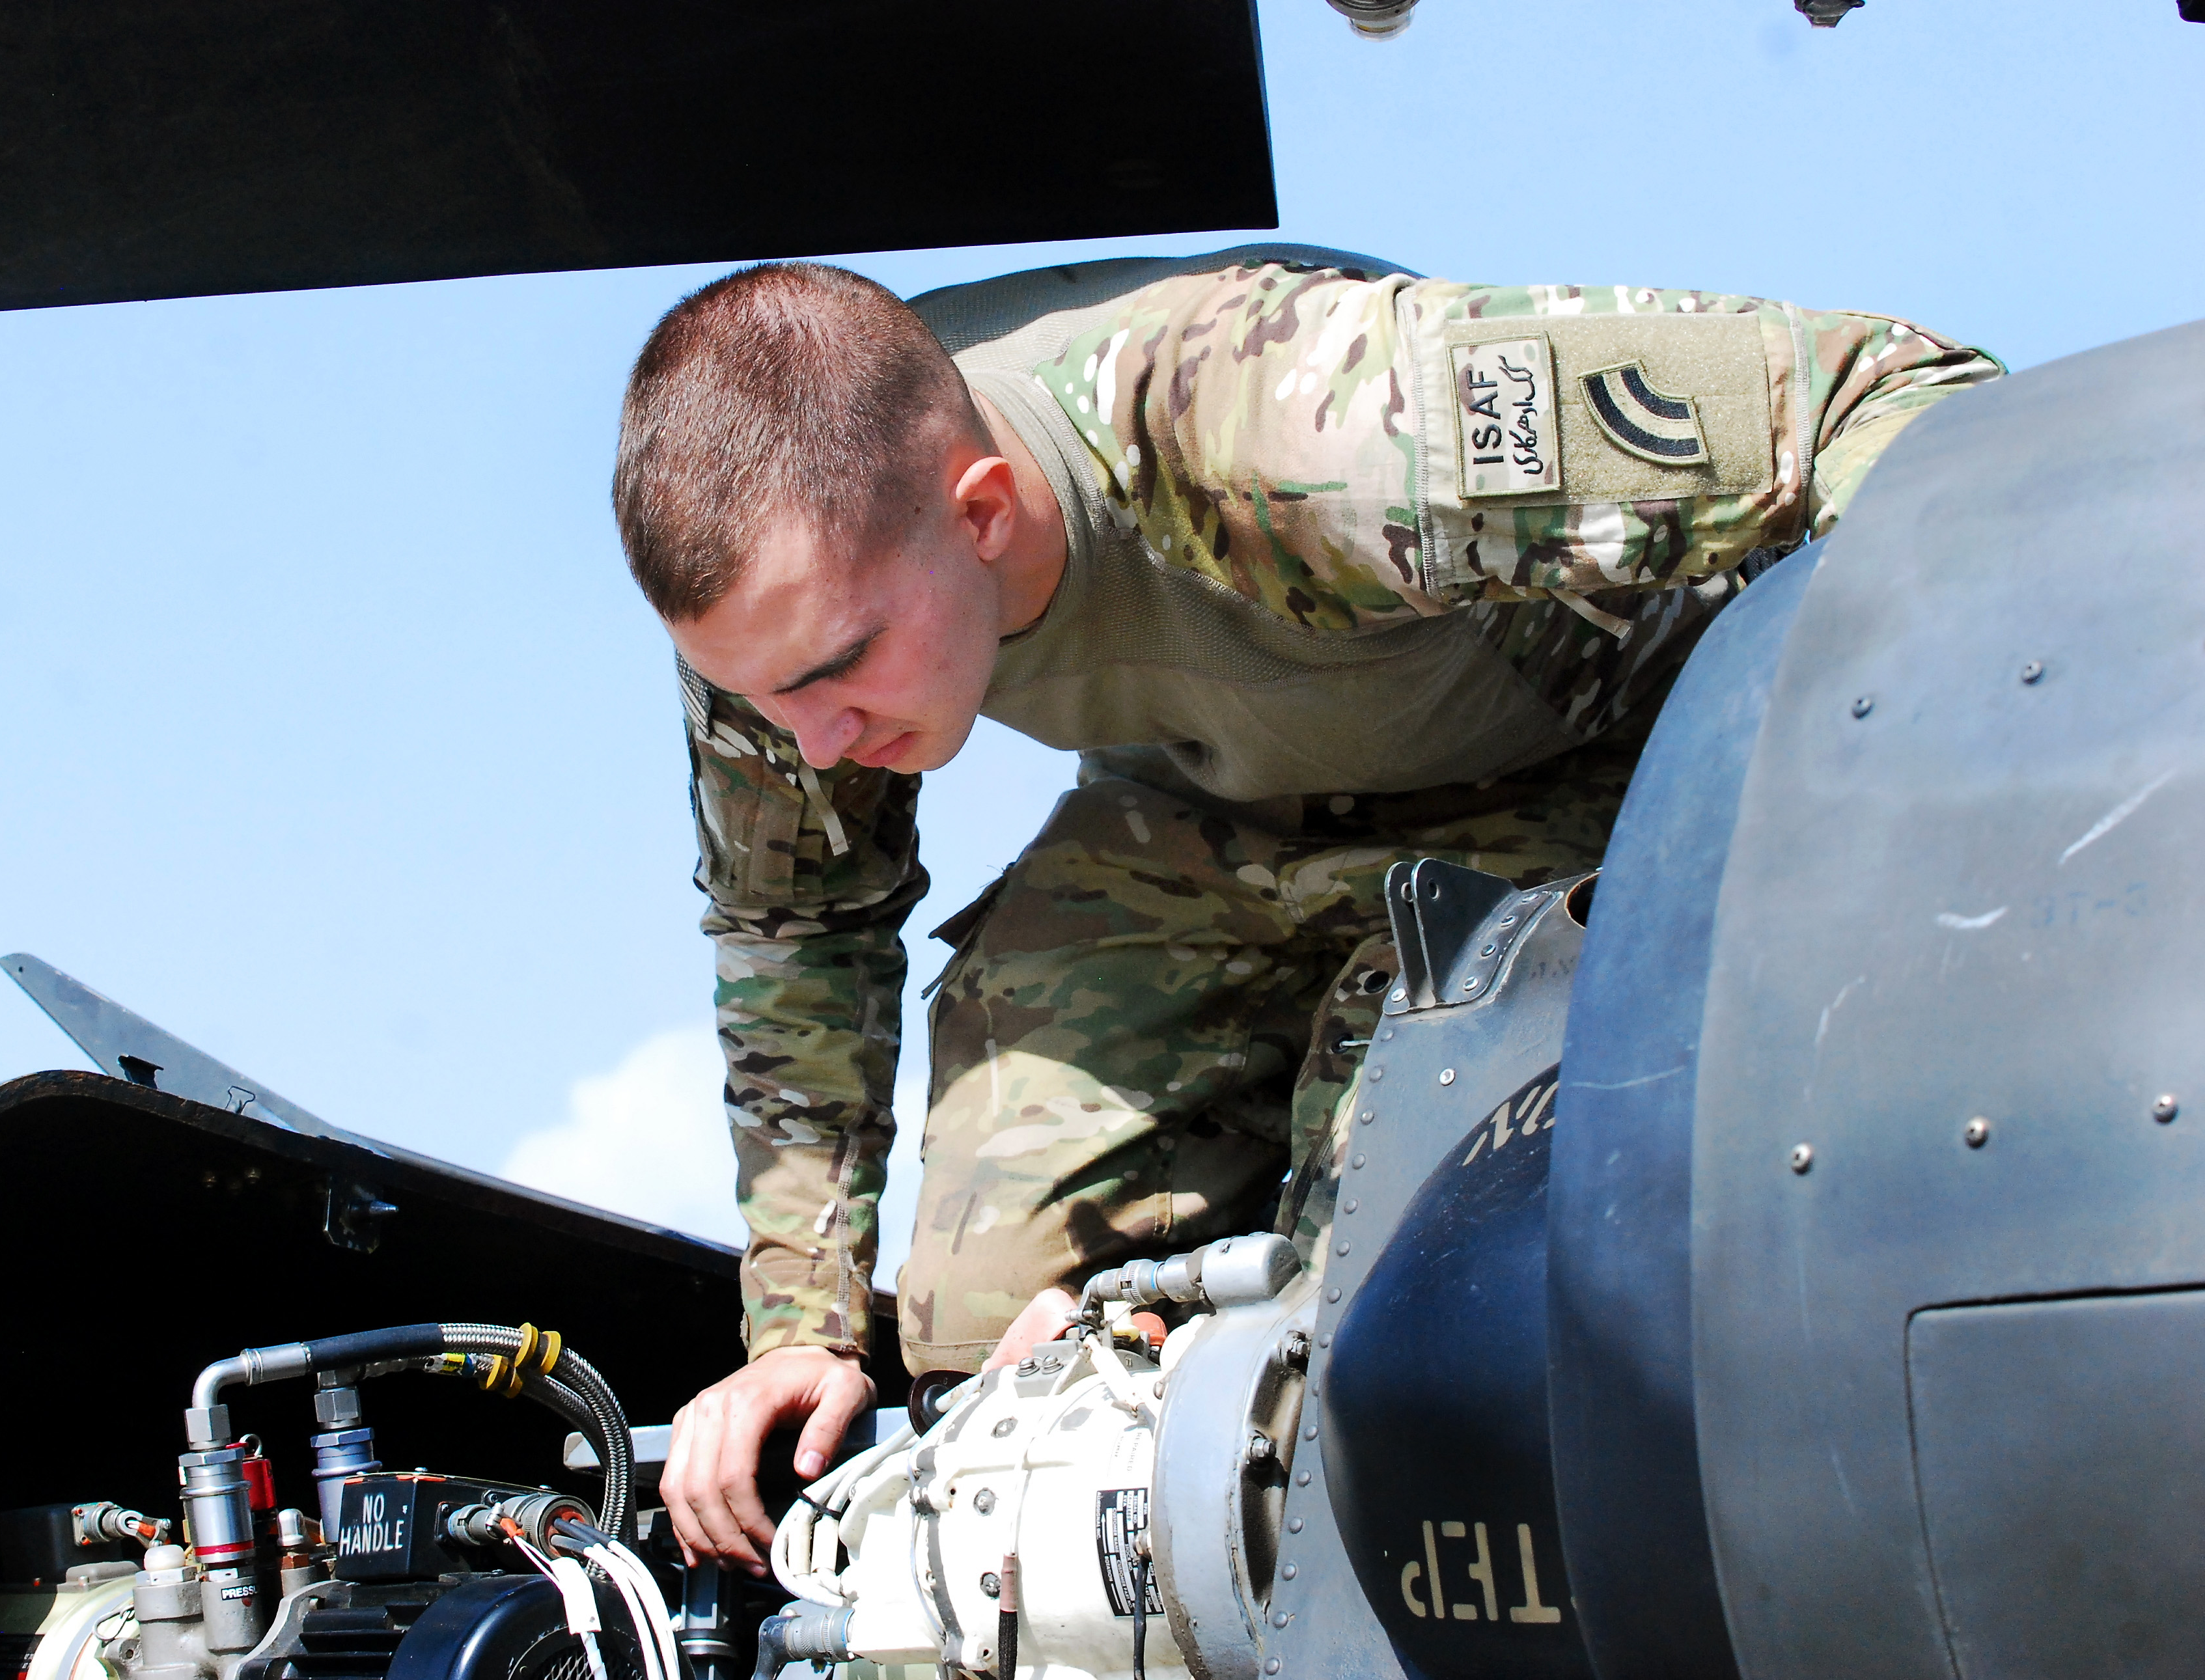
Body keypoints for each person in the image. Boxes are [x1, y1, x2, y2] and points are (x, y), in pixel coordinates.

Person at [610, 243, 2001, 1573]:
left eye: (839, 673)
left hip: (1562, 762)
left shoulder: (1301, 416)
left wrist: (1899, 818)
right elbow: (797, 925)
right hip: (1209, 808)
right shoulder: (777, 619)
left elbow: (1874, 395)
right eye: (765, 698)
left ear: (980, 513)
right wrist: (800, 1327)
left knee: (1382, 1323)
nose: (814, 741)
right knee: (984, 1374)